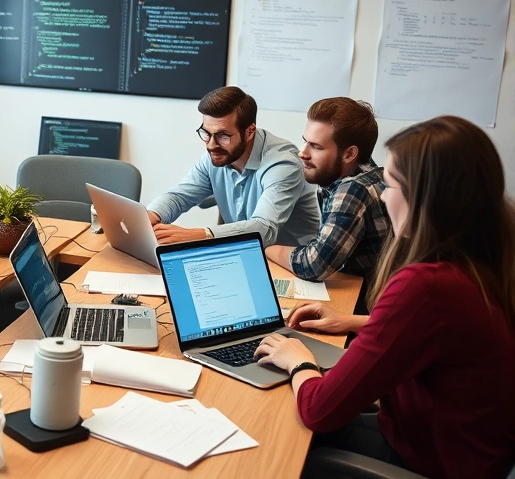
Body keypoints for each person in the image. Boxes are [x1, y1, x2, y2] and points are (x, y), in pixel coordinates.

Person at [254, 116, 515, 478]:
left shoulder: (425, 284)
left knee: (279, 444)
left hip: (431, 460)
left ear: (422, 199)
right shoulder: (485, 260)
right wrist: (358, 321)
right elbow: (449, 329)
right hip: (466, 449)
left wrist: (297, 359)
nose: (382, 194)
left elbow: (320, 410)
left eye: (389, 185)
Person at [147, 86, 319, 247]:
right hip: (243, 252)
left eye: (223, 136)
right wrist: (150, 217)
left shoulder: (283, 164)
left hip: (291, 262)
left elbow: (264, 228)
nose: (211, 145)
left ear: (250, 131)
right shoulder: (216, 155)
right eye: (206, 133)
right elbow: (179, 196)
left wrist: (199, 235)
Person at [264, 98, 390, 310]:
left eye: (316, 146)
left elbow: (314, 265)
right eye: (305, 141)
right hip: (369, 302)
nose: (302, 153)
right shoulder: (374, 175)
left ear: (350, 153)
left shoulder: (352, 189)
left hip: (369, 310)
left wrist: (267, 247)